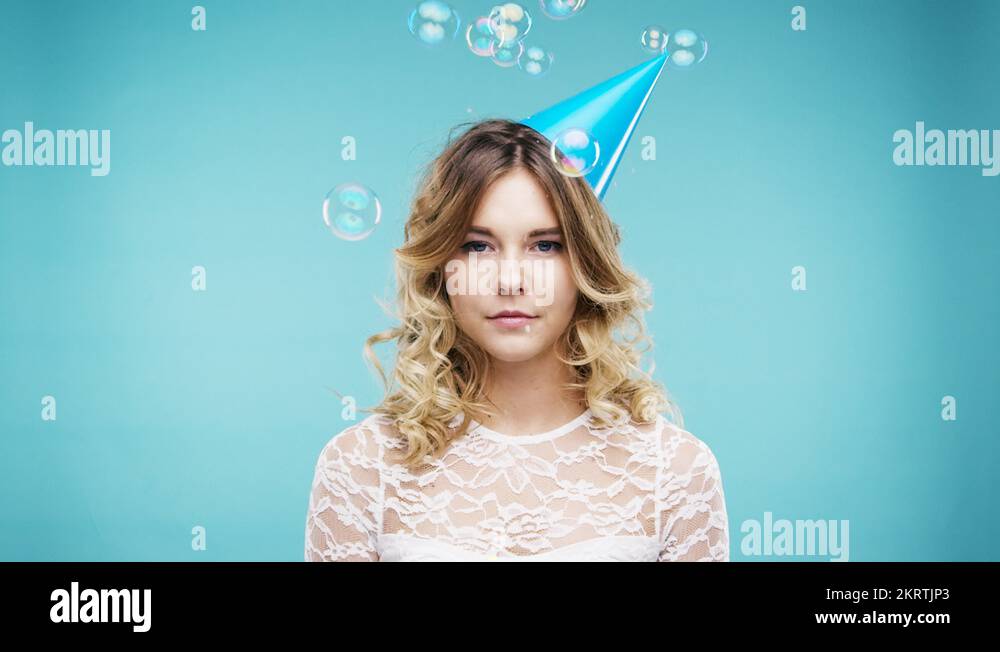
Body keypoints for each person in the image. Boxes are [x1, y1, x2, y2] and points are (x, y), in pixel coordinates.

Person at [304, 119, 729, 561]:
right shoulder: (359, 468)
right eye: (476, 246)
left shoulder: (675, 472)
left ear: (585, 265)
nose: (509, 280)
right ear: (440, 270)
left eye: (544, 246)